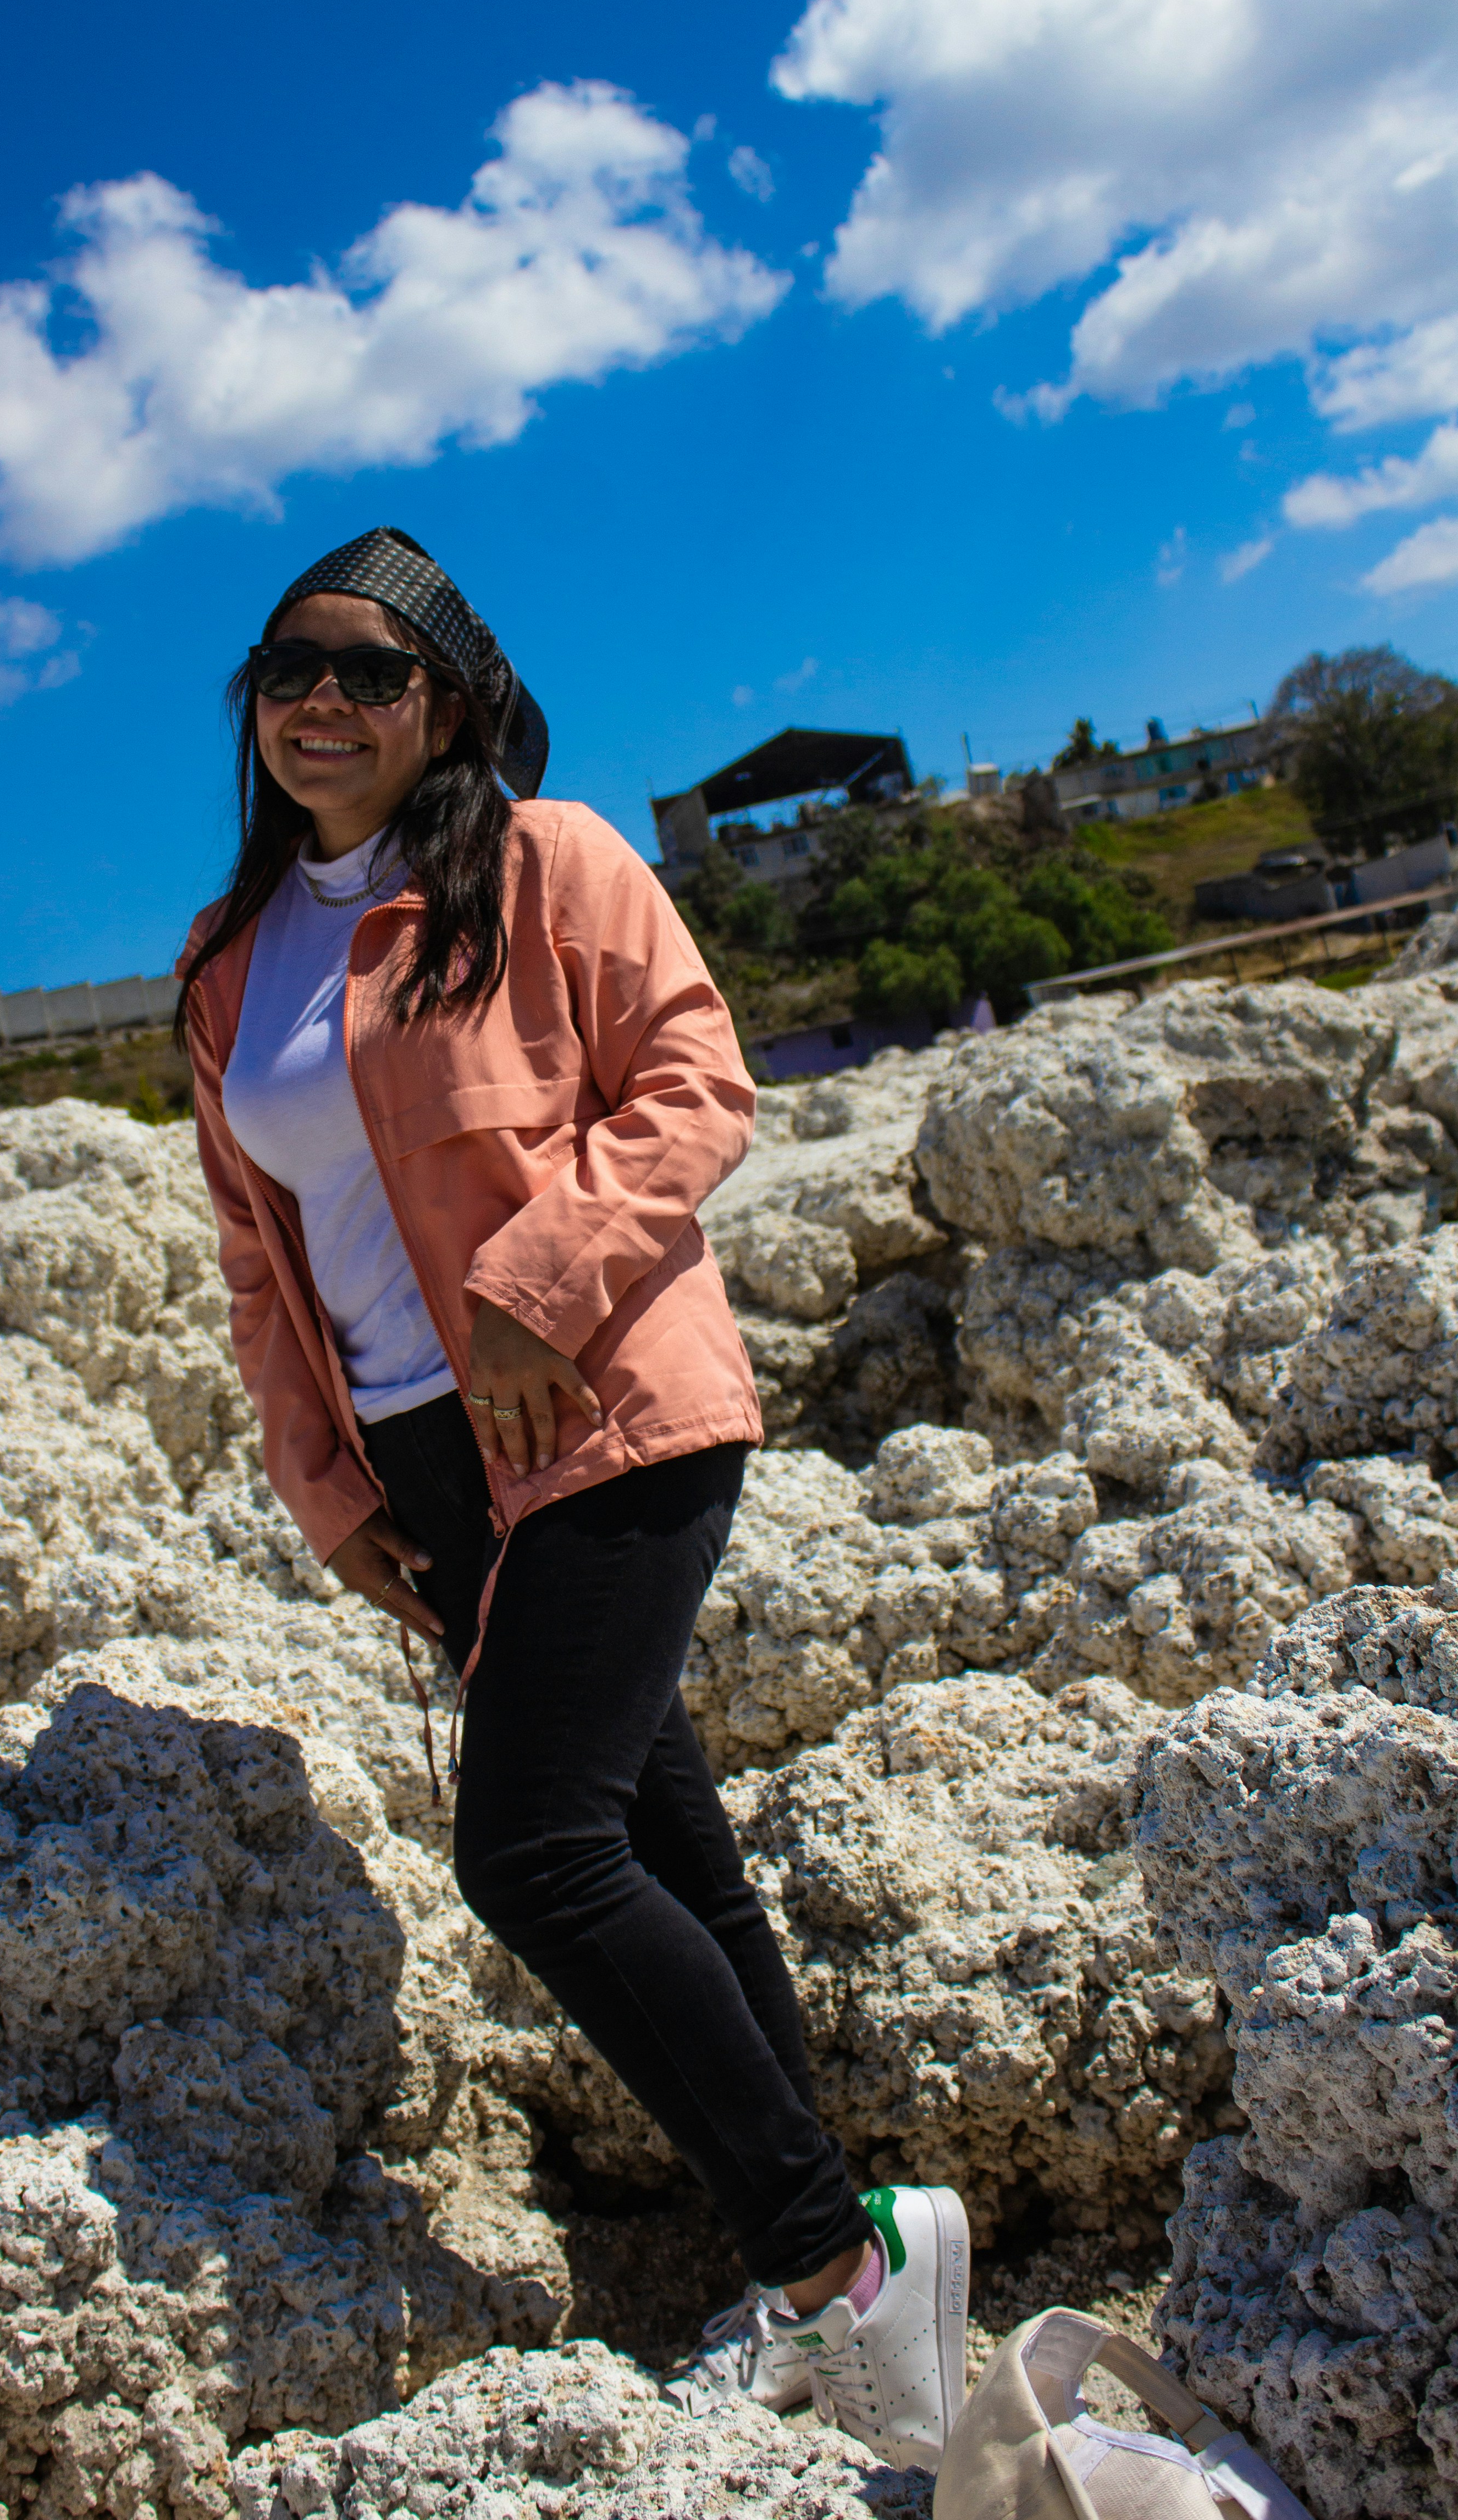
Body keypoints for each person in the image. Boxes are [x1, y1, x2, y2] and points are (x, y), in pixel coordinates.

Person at [176, 527, 968, 2471]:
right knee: (664, 1852)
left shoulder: (549, 862)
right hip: (425, 1464)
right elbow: (257, 1263)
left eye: (367, 670)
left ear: (443, 698)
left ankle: (832, 2282)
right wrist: (329, 1494)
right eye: (288, 669)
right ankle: (868, 2258)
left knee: (530, 1853)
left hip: (602, 1399)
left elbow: (697, 1083)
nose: (322, 703)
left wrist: (539, 1283)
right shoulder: (227, 964)